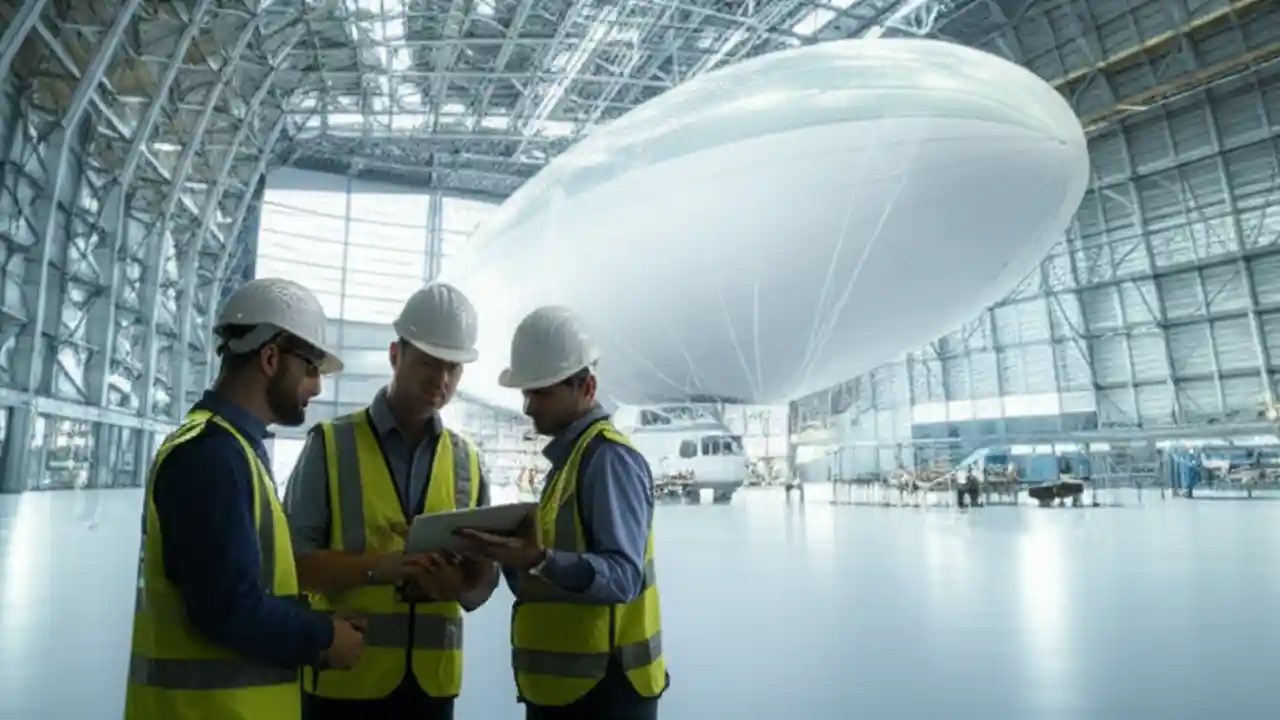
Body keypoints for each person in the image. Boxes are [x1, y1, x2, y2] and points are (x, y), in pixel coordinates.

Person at [124, 278, 365, 720]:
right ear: (271, 357)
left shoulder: (232, 448)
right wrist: (322, 638)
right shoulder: (212, 456)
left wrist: (315, 617)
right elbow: (226, 607)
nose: (316, 387)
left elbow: (238, 585)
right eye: (311, 367)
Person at [284, 282, 498, 720]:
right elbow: (292, 568)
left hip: (431, 690)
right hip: (345, 684)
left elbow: (483, 585)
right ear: (395, 355)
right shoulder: (330, 445)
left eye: (453, 369)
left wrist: (458, 585)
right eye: (429, 363)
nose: (441, 381)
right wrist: (381, 566)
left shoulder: (468, 462)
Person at [457, 306, 668, 720]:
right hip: (569, 691)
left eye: (541, 392)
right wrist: (509, 561)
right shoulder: (568, 465)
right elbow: (556, 576)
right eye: (526, 392)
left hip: (605, 692)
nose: (528, 406)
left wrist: (539, 560)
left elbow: (623, 576)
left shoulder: (608, 460)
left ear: (586, 387)